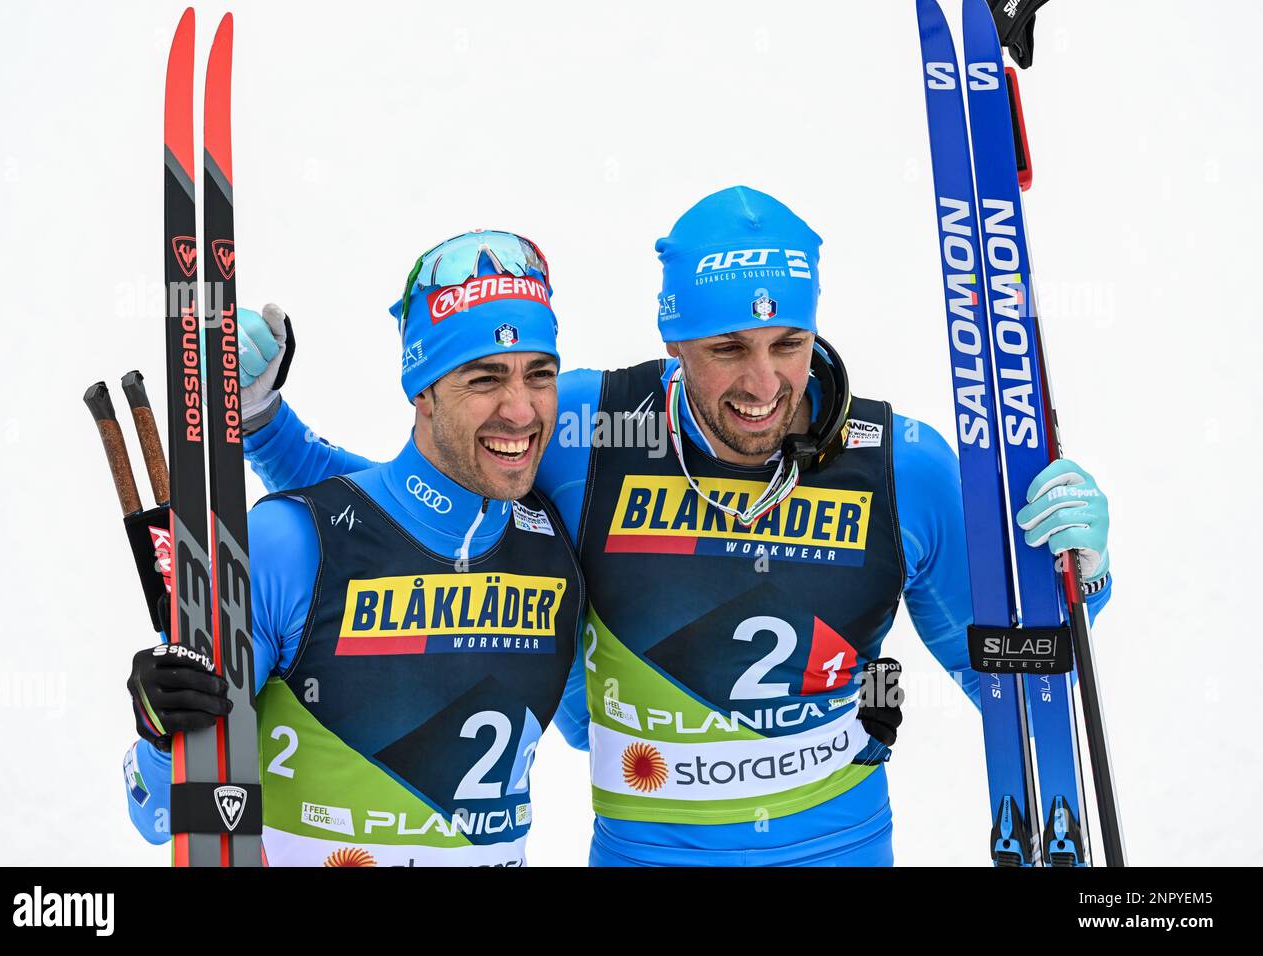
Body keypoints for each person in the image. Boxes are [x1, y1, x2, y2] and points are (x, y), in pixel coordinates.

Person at [233, 187, 1112, 866]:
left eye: (789, 344)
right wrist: (268, 427)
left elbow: (1011, 664)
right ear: (674, 342)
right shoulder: (587, 430)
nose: (764, 385)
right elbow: (403, 508)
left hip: (839, 850)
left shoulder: (902, 466)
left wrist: (1078, 569)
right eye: (727, 349)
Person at [122, 230, 585, 866]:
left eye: (541, 374)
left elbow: (593, 732)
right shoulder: (288, 544)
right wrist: (157, 728)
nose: (521, 409)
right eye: (484, 378)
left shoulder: (554, 553)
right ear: (422, 390)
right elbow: (155, 810)